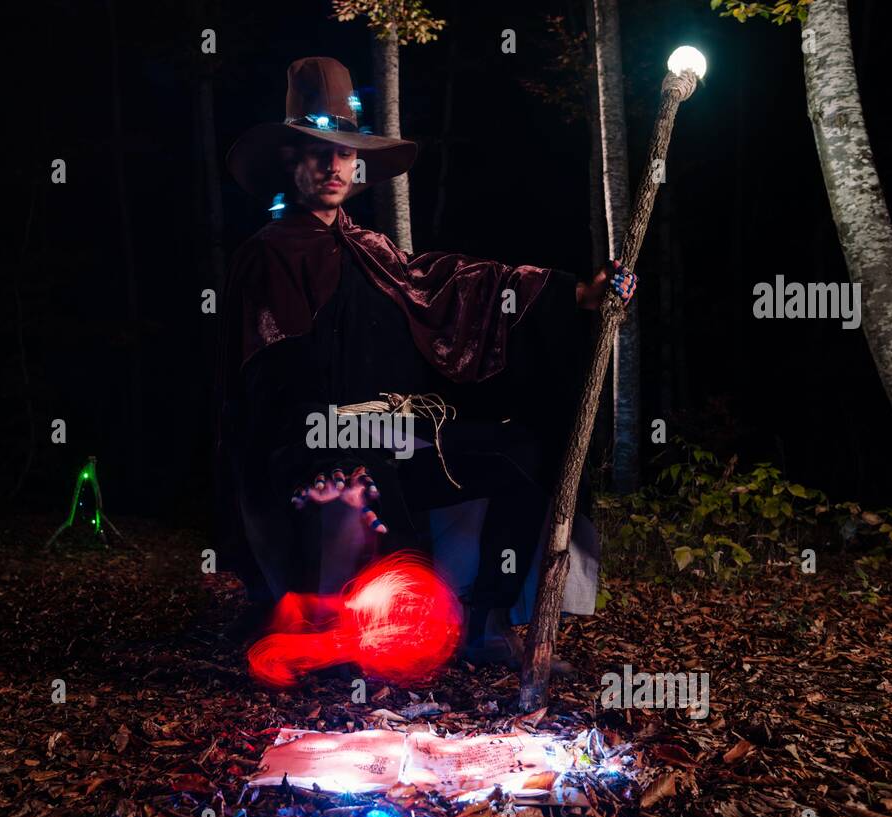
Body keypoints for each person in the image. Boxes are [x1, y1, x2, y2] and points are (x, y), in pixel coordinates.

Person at [216, 57, 636, 665]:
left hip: (401, 438)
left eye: (343, 152)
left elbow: (451, 284)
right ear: (292, 163)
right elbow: (267, 375)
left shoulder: (371, 250)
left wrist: (575, 293)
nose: (333, 165)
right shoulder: (268, 257)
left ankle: (488, 623)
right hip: (318, 450)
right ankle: (360, 631)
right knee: (372, 514)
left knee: (524, 456)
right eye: (316, 152)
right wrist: (328, 438)